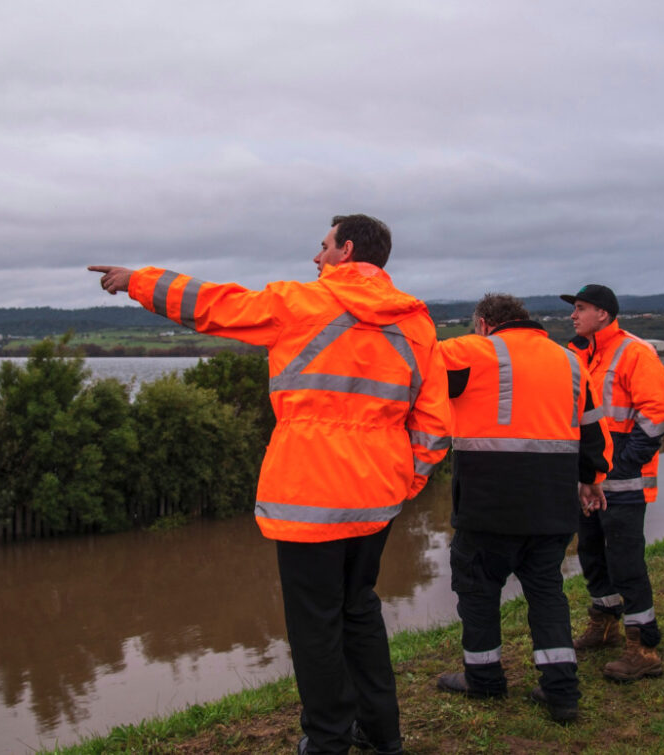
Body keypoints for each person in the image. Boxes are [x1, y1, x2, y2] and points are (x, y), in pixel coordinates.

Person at [89, 214, 451, 755]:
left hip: (308, 495)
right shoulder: (417, 324)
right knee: (359, 609)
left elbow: (215, 305)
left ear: (346, 249)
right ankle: (383, 734)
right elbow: (434, 425)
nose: (315, 256)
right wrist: (404, 483)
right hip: (377, 496)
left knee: (315, 626)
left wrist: (137, 280)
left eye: (323, 246)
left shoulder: (299, 303)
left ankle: (328, 740)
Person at [436, 294, 612, 723]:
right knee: (547, 594)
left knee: (478, 591)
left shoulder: (467, 351)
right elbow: (590, 432)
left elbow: (416, 386)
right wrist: (591, 480)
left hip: (487, 503)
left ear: (483, 323)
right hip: (552, 503)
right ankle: (561, 693)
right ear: (526, 320)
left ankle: (485, 680)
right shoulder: (570, 362)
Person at [561, 284, 664, 681]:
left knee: (626, 563)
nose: (573, 316)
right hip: (586, 481)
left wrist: (621, 465)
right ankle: (605, 622)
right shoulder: (574, 354)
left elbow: (657, 414)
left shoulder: (634, 352)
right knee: (592, 555)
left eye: (580, 308)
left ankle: (643, 648)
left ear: (603, 314)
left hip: (622, 483)